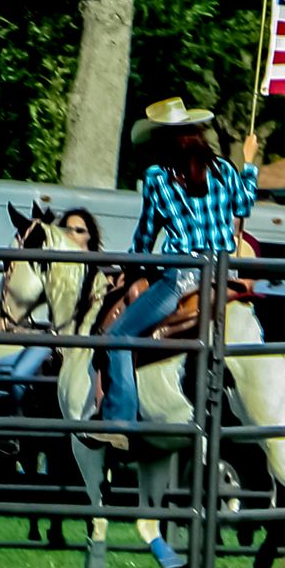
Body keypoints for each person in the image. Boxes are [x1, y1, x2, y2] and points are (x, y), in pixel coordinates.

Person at [94, 97, 258, 448]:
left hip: (182, 277)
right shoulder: (225, 169)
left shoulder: (158, 178)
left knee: (119, 336)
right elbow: (243, 205)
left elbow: (146, 233)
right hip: (222, 273)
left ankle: (118, 420)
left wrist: (130, 267)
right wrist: (250, 163)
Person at [0, 208, 102, 413]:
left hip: (76, 342)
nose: (72, 235)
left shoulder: (98, 269)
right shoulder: (56, 271)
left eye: (78, 230)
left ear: (90, 235)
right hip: (54, 339)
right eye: (66, 230)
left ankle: (18, 431)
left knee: (19, 374)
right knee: (1, 368)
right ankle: (5, 429)